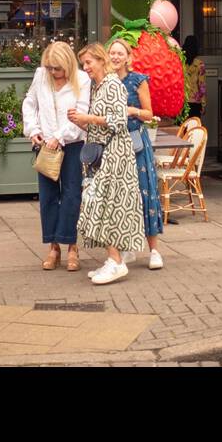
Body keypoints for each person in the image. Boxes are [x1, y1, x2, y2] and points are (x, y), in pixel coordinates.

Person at [69, 43, 146, 285]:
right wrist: (80, 122)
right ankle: (113, 259)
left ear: (101, 61)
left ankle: (116, 262)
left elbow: (118, 120)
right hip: (102, 155)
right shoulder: (97, 86)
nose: (86, 68)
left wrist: (87, 118)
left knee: (104, 206)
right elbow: (100, 122)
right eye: (83, 64)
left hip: (115, 154)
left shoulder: (112, 84)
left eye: (89, 63)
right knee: (99, 206)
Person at [23, 41, 91, 272]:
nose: (53, 73)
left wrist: (60, 136)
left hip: (72, 144)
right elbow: (29, 103)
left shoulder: (81, 79)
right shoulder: (41, 75)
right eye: (50, 68)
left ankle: (72, 245)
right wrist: (33, 130)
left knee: (72, 194)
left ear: (68, 65)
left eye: (57, 69)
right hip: (45, 144)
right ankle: (53, 246)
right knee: (48, 196)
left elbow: (81, 114)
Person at [108, 38, 164, 270]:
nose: (115, 57)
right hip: (115, 145)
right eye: (112, 53)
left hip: (137, 144)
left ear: (128, 57)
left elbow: (150, 114)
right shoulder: (106, 82)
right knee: (121, 197)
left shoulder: (138, 80)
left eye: (120, 53)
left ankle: (154, 251)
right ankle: (127, 247)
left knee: (145, 191)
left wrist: (132, 110)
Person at [182, 35, 207, 120]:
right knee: (194, 129)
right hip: (195, 102)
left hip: (182, 101)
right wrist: (203, 104)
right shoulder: (200, 65)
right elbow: (202, 86)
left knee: (182, 129)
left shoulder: (180, 63)